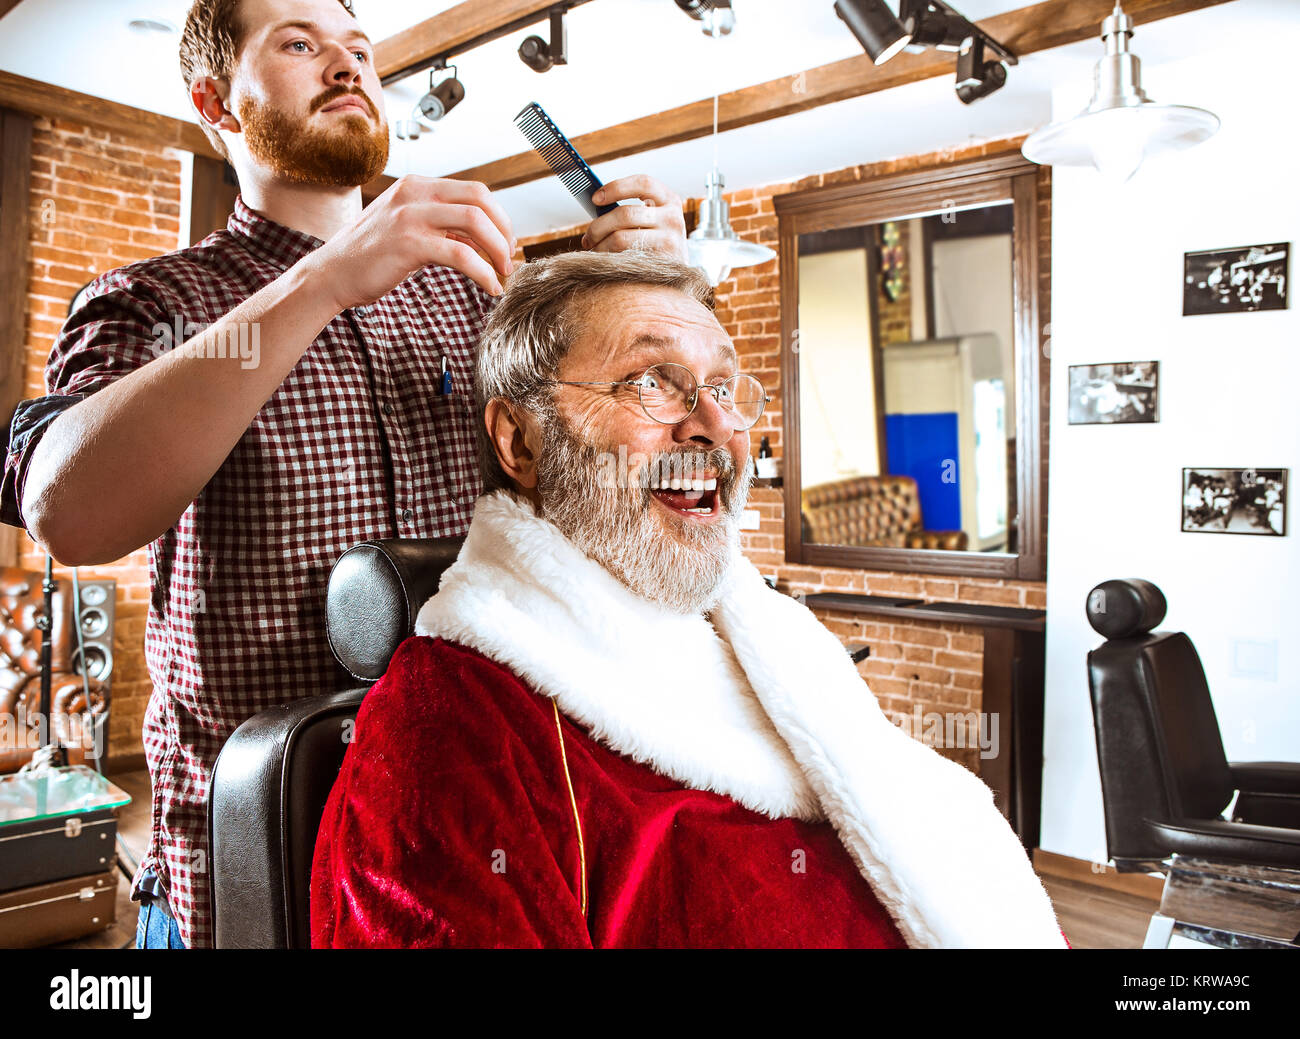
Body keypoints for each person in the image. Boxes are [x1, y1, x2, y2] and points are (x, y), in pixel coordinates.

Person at [0, 0, 686, 949]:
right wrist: (324, 279)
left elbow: (602, 504)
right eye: (298, 43)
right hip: (251, 866)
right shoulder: (153, 302)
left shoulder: (473, 297)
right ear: (216, 102)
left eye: (360, 49)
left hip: (461, 844)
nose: (346, 65)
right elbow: (68, 514)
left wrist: (647, 316)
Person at [310, 252, 1069, 949]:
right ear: (521, 441)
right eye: (651, 381)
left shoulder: (768, 648)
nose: (715, 426)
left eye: (723, 387)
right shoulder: (451, 731)